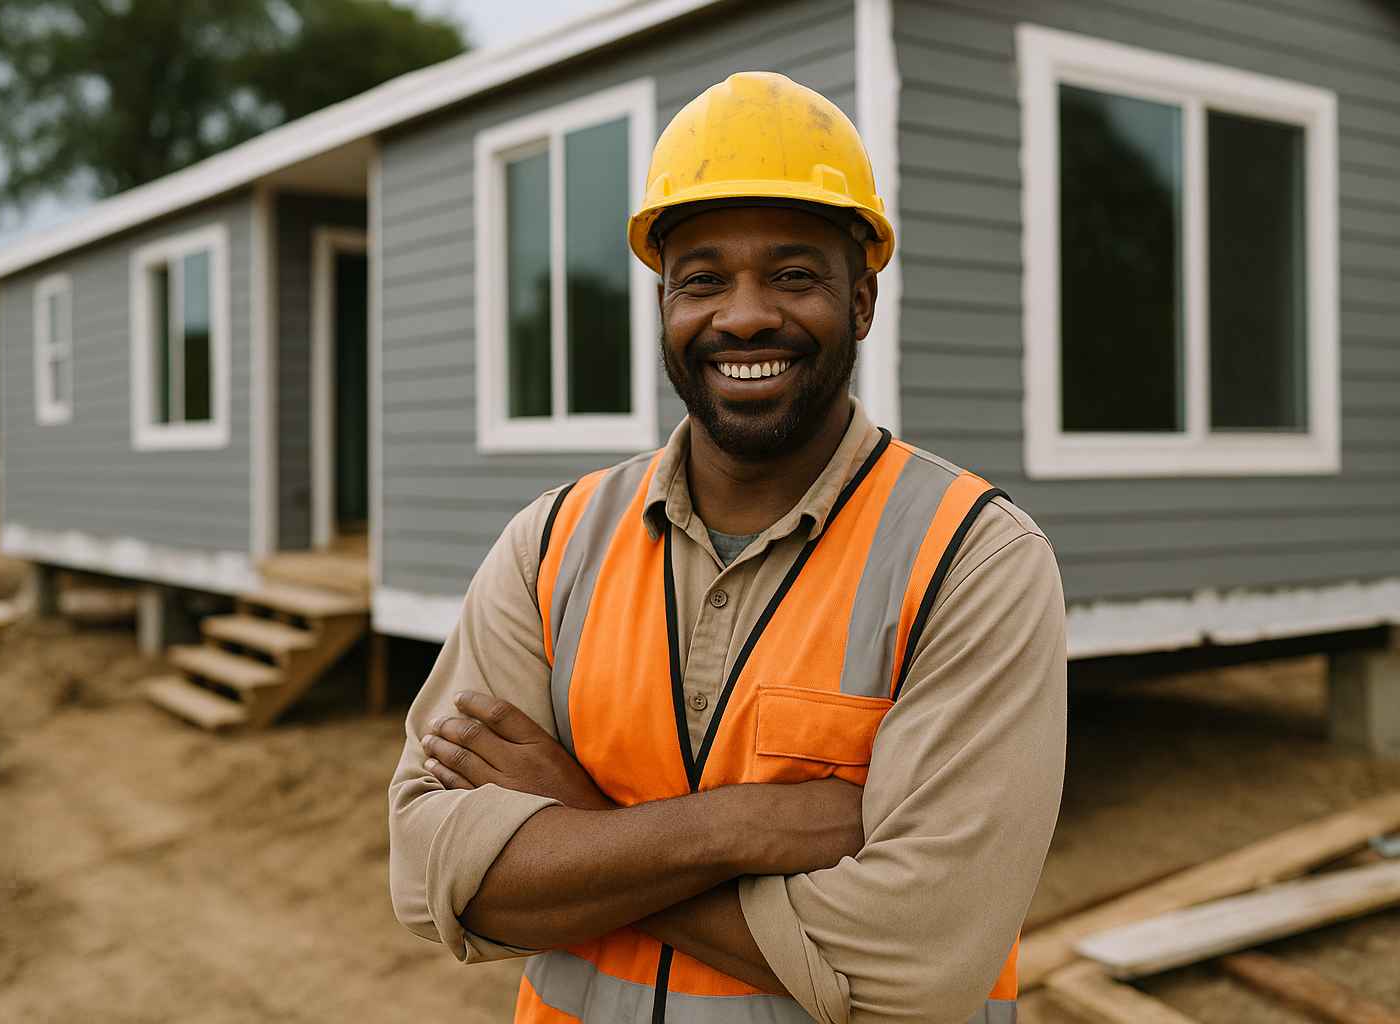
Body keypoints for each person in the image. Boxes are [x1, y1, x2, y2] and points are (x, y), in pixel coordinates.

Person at [389, 71, 1067, 1024]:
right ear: (665, 304)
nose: (743, 316)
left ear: (862, 302)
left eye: (793, 275)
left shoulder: (972, 559)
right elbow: (432, 875)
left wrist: (578, 827)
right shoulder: (552, 543)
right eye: (701, 279)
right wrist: (738, 827)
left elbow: (918, 963)